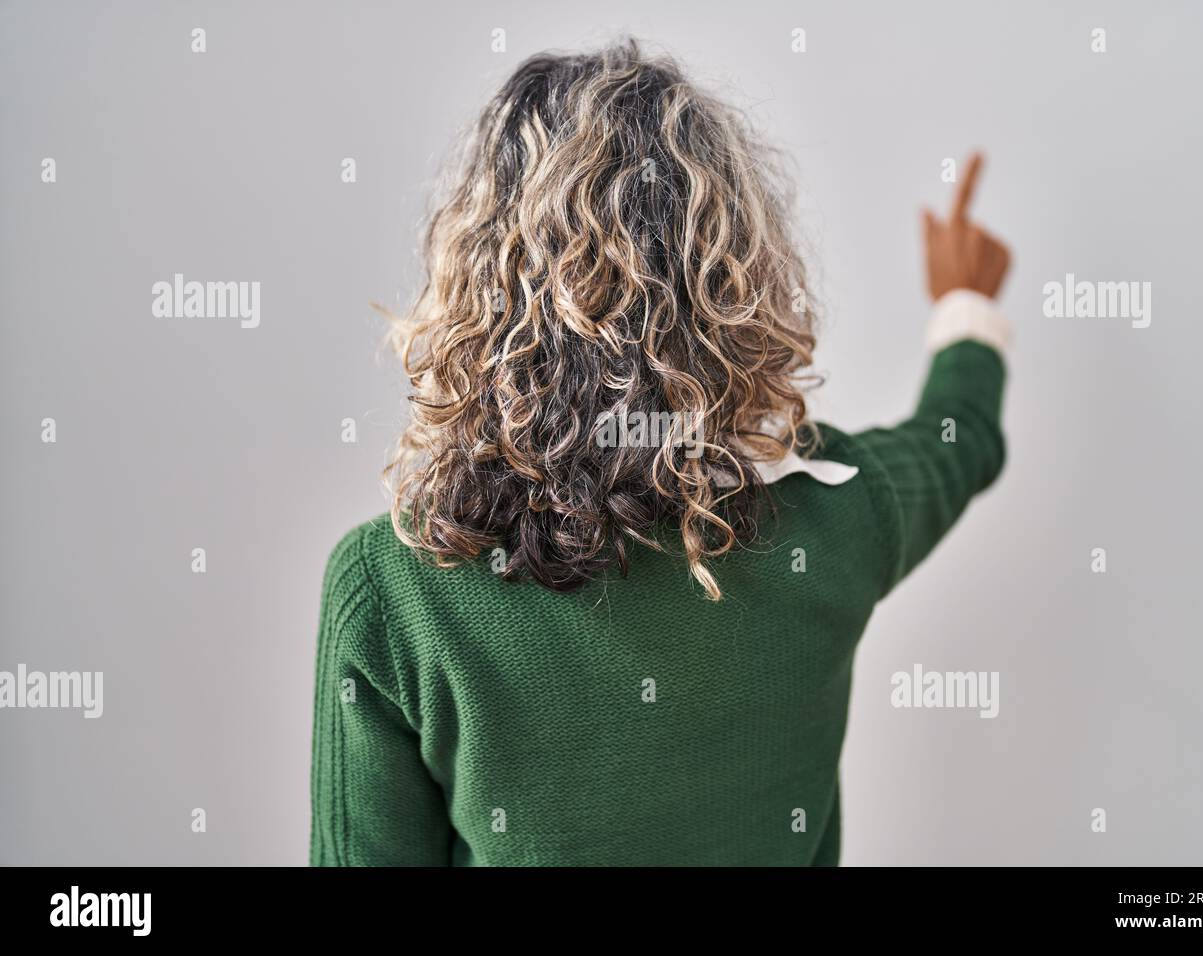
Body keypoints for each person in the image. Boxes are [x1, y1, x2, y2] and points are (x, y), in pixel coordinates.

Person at [310, 39, 1011, 866]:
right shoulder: (838, 517)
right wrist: (965, 301)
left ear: (474, 280)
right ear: (734, 278)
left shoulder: (392, 592)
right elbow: (959, 436)